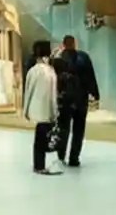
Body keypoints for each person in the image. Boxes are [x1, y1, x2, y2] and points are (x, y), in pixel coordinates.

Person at [58, 35, 99, 167]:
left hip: (65, 101)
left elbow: (55, 80)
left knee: (63, 128)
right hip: (81, 100)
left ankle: (61, 155)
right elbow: (91, 76)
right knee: (78, 130)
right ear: (75, 44)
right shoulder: (84, 57)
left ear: (63, 44)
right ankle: (74, 158)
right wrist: (95, 93)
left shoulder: (58, 59)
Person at [23, 41, 61, 176]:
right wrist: (54, 111)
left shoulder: (32, 71)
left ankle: (38, 164)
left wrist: (25, 110)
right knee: (44, 138)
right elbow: (53, 94)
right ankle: (41, 165)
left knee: (39, 138)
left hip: (35, 109)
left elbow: (28, 91)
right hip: (47, 110)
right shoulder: (50, 71)